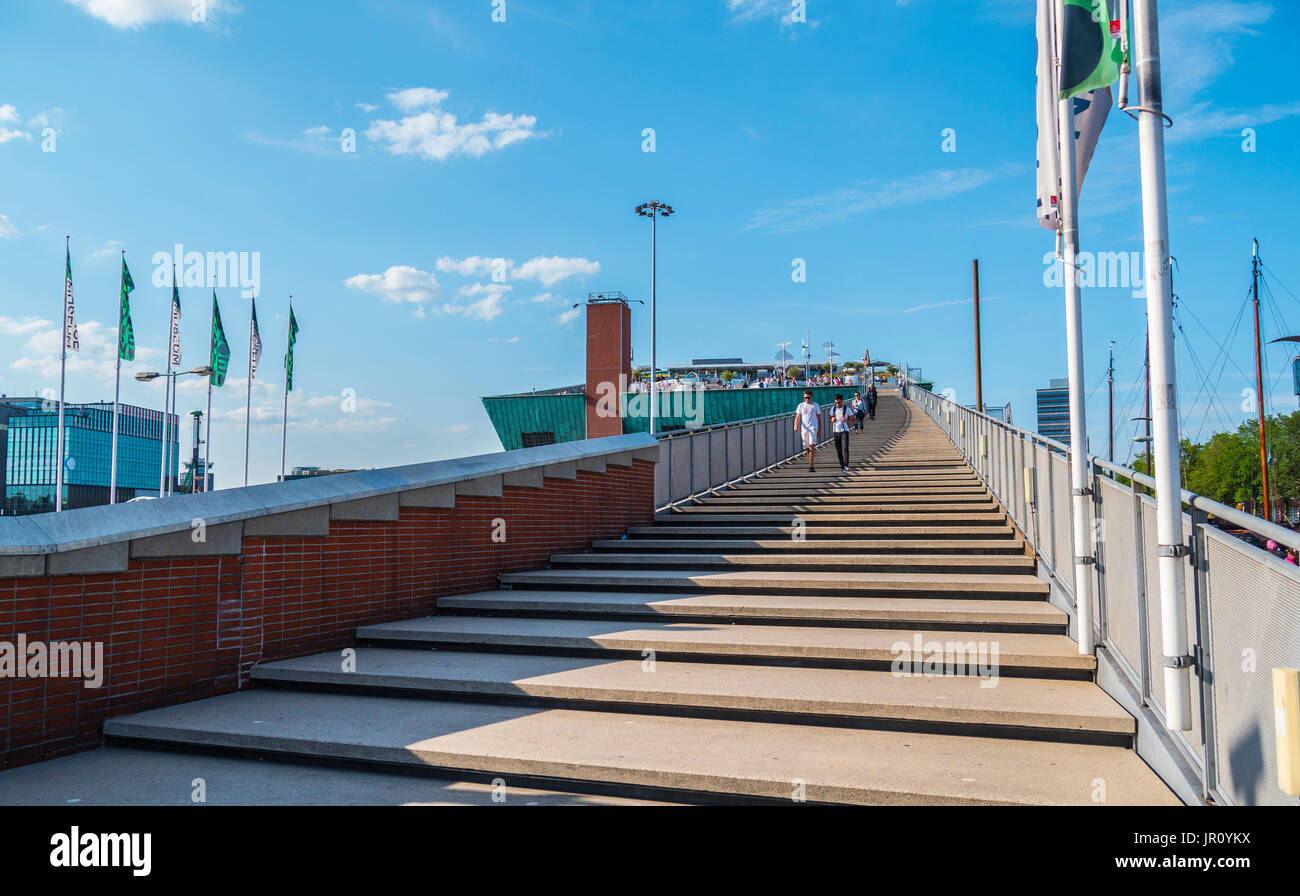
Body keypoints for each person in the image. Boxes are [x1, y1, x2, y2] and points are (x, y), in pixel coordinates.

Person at [793, 389, 821, 472]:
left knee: (812, 446)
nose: (807, 399)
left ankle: (811, 466)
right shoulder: (801, 405)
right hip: (804, 429)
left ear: (811, 397)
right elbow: (797, 417)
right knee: (807, 448)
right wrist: (795, 425)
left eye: (808, 398)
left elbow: (819, 418)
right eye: (805, 398)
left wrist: (820, 429)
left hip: (813, 428)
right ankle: (810, 463)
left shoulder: (815, 405)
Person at [830, 394, 852, 472]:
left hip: (844, 431)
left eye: (839, 402)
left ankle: (846, 465)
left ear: (842, 401)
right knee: (838, 450)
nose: (837, 404)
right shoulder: (833, 409)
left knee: (845, 448)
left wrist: (846, 421)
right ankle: (842, 465)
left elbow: (854, 420)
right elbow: (831, 418)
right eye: (836, 403)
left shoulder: (847, 409)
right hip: (836, 431)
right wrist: (832, 419)